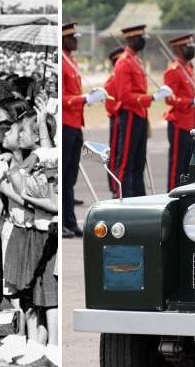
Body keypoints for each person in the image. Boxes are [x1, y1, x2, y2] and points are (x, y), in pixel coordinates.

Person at [111, 25, 171, 197]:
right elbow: (125, 96)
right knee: (126, 163)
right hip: (130, 114)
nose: (143, 40)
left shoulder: (136, 60)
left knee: (138, 162)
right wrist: (151, 98)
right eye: (140, 37)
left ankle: (138, 197)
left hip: (140, 114)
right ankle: (122, 196)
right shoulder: (124, 62)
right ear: (130, 39)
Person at [60, 22, 103, 238]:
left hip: (76, 124)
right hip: (66, 123)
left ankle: (69, 220)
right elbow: (62, 97)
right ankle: (63, 222)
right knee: (64, 176)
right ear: (64, 39)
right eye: (72, 37)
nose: (76, 41)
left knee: (71, 177)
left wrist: (89, 96)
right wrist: (84, 98)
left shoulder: (71, 60)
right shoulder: (61, 61)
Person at [163, 34, 195, 190]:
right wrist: (191, 102)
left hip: (190, 122)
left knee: (187, 163)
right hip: (179, 122)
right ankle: (172, 193)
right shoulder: (173, 70)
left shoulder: (188, 67)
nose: (192, 48)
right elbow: (169, 99)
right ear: (179, 49)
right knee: (177, 164)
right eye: (188, 45)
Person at [103, 44, 125, 197]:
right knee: (115, 154)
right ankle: (114, 186)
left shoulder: (120, 79)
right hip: (117, 120)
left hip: (124, 119)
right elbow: (110, 106)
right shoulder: (111, 82)